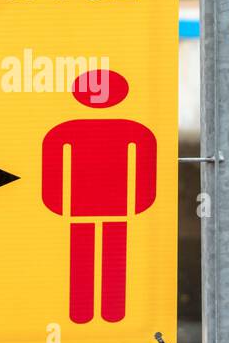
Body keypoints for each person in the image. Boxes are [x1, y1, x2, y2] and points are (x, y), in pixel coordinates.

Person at [41, 70, 156, 323]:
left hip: (82, 208)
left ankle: (85, 314)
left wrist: (59, 205)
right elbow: (146, 178)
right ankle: (109, 313)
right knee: (110, 258)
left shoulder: (65, 130)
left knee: (87, 258)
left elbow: (52, 173)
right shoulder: (133, 130)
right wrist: (137, 205)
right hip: (115, 208)